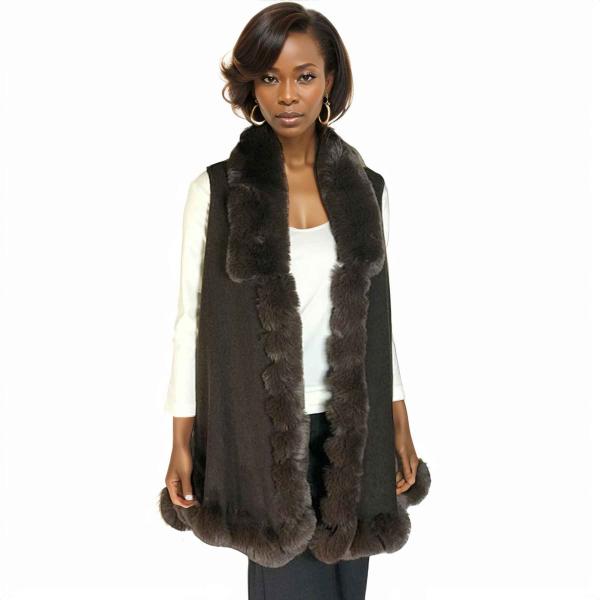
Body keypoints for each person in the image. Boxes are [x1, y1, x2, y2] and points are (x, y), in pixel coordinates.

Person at [159, 3, 431, 599]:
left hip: (352, 430)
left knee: (348, 590)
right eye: (270, 77)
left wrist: (400, 421)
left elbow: (379, 322)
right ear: (251, 85)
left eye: (304, 76)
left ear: (329, 80)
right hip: (258, 429)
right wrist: (182, 439)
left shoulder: (367, 190)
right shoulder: (218, 191)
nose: (287, 95)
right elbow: (190, 322)